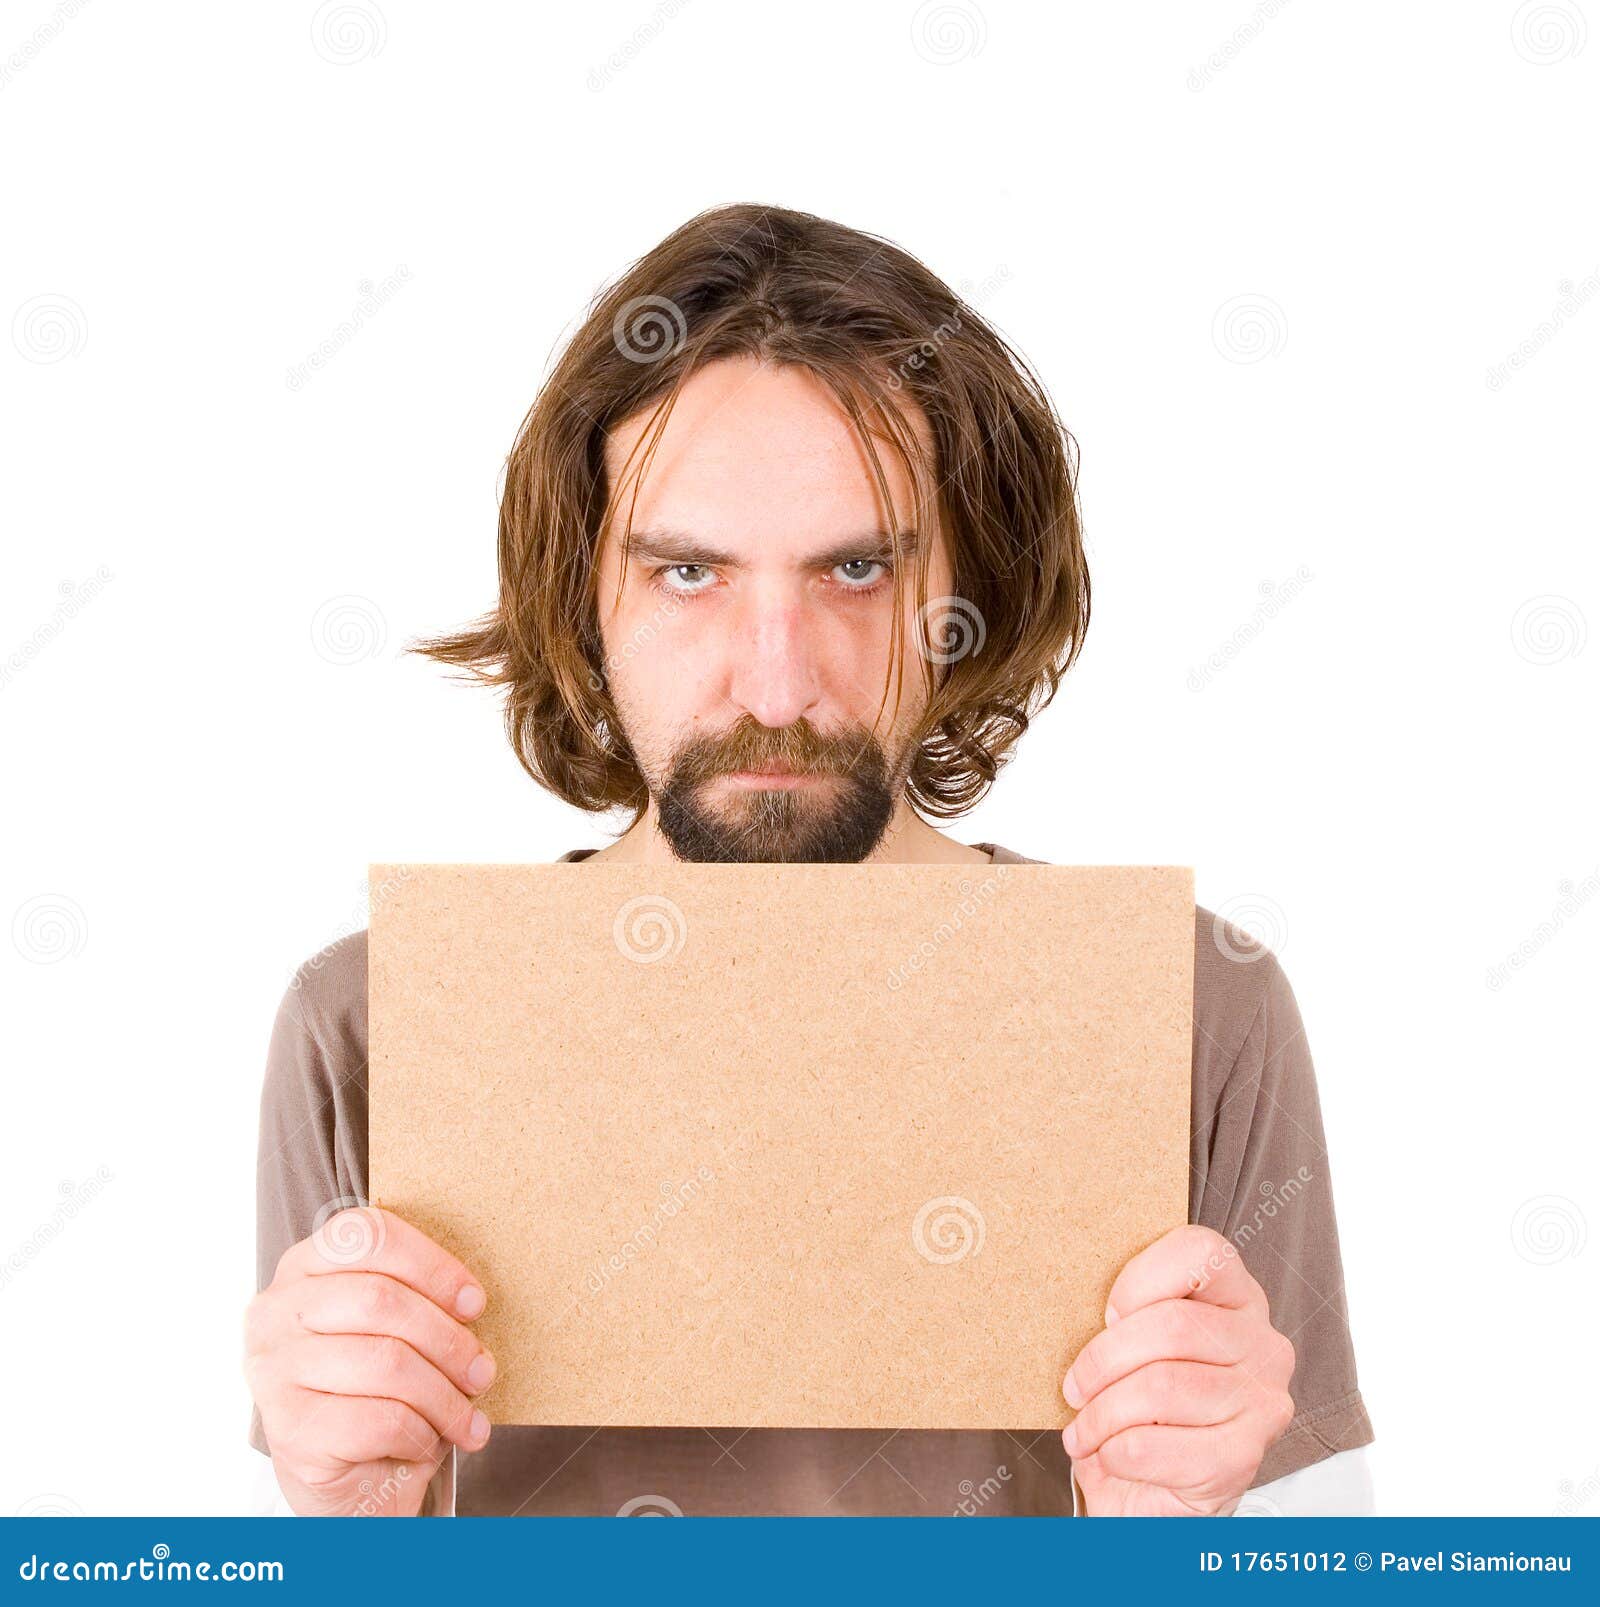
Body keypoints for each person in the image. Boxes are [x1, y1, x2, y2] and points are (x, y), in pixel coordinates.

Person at [244, 204, 1373, 1516]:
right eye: (687, 573)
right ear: (583, 601)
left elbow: (1328, 1559)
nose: (777, 684)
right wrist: (350, 1529)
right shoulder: (371, 1026)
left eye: (854, 569)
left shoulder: (1196, 1010)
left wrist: (1176, 1552)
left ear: (970, 591)